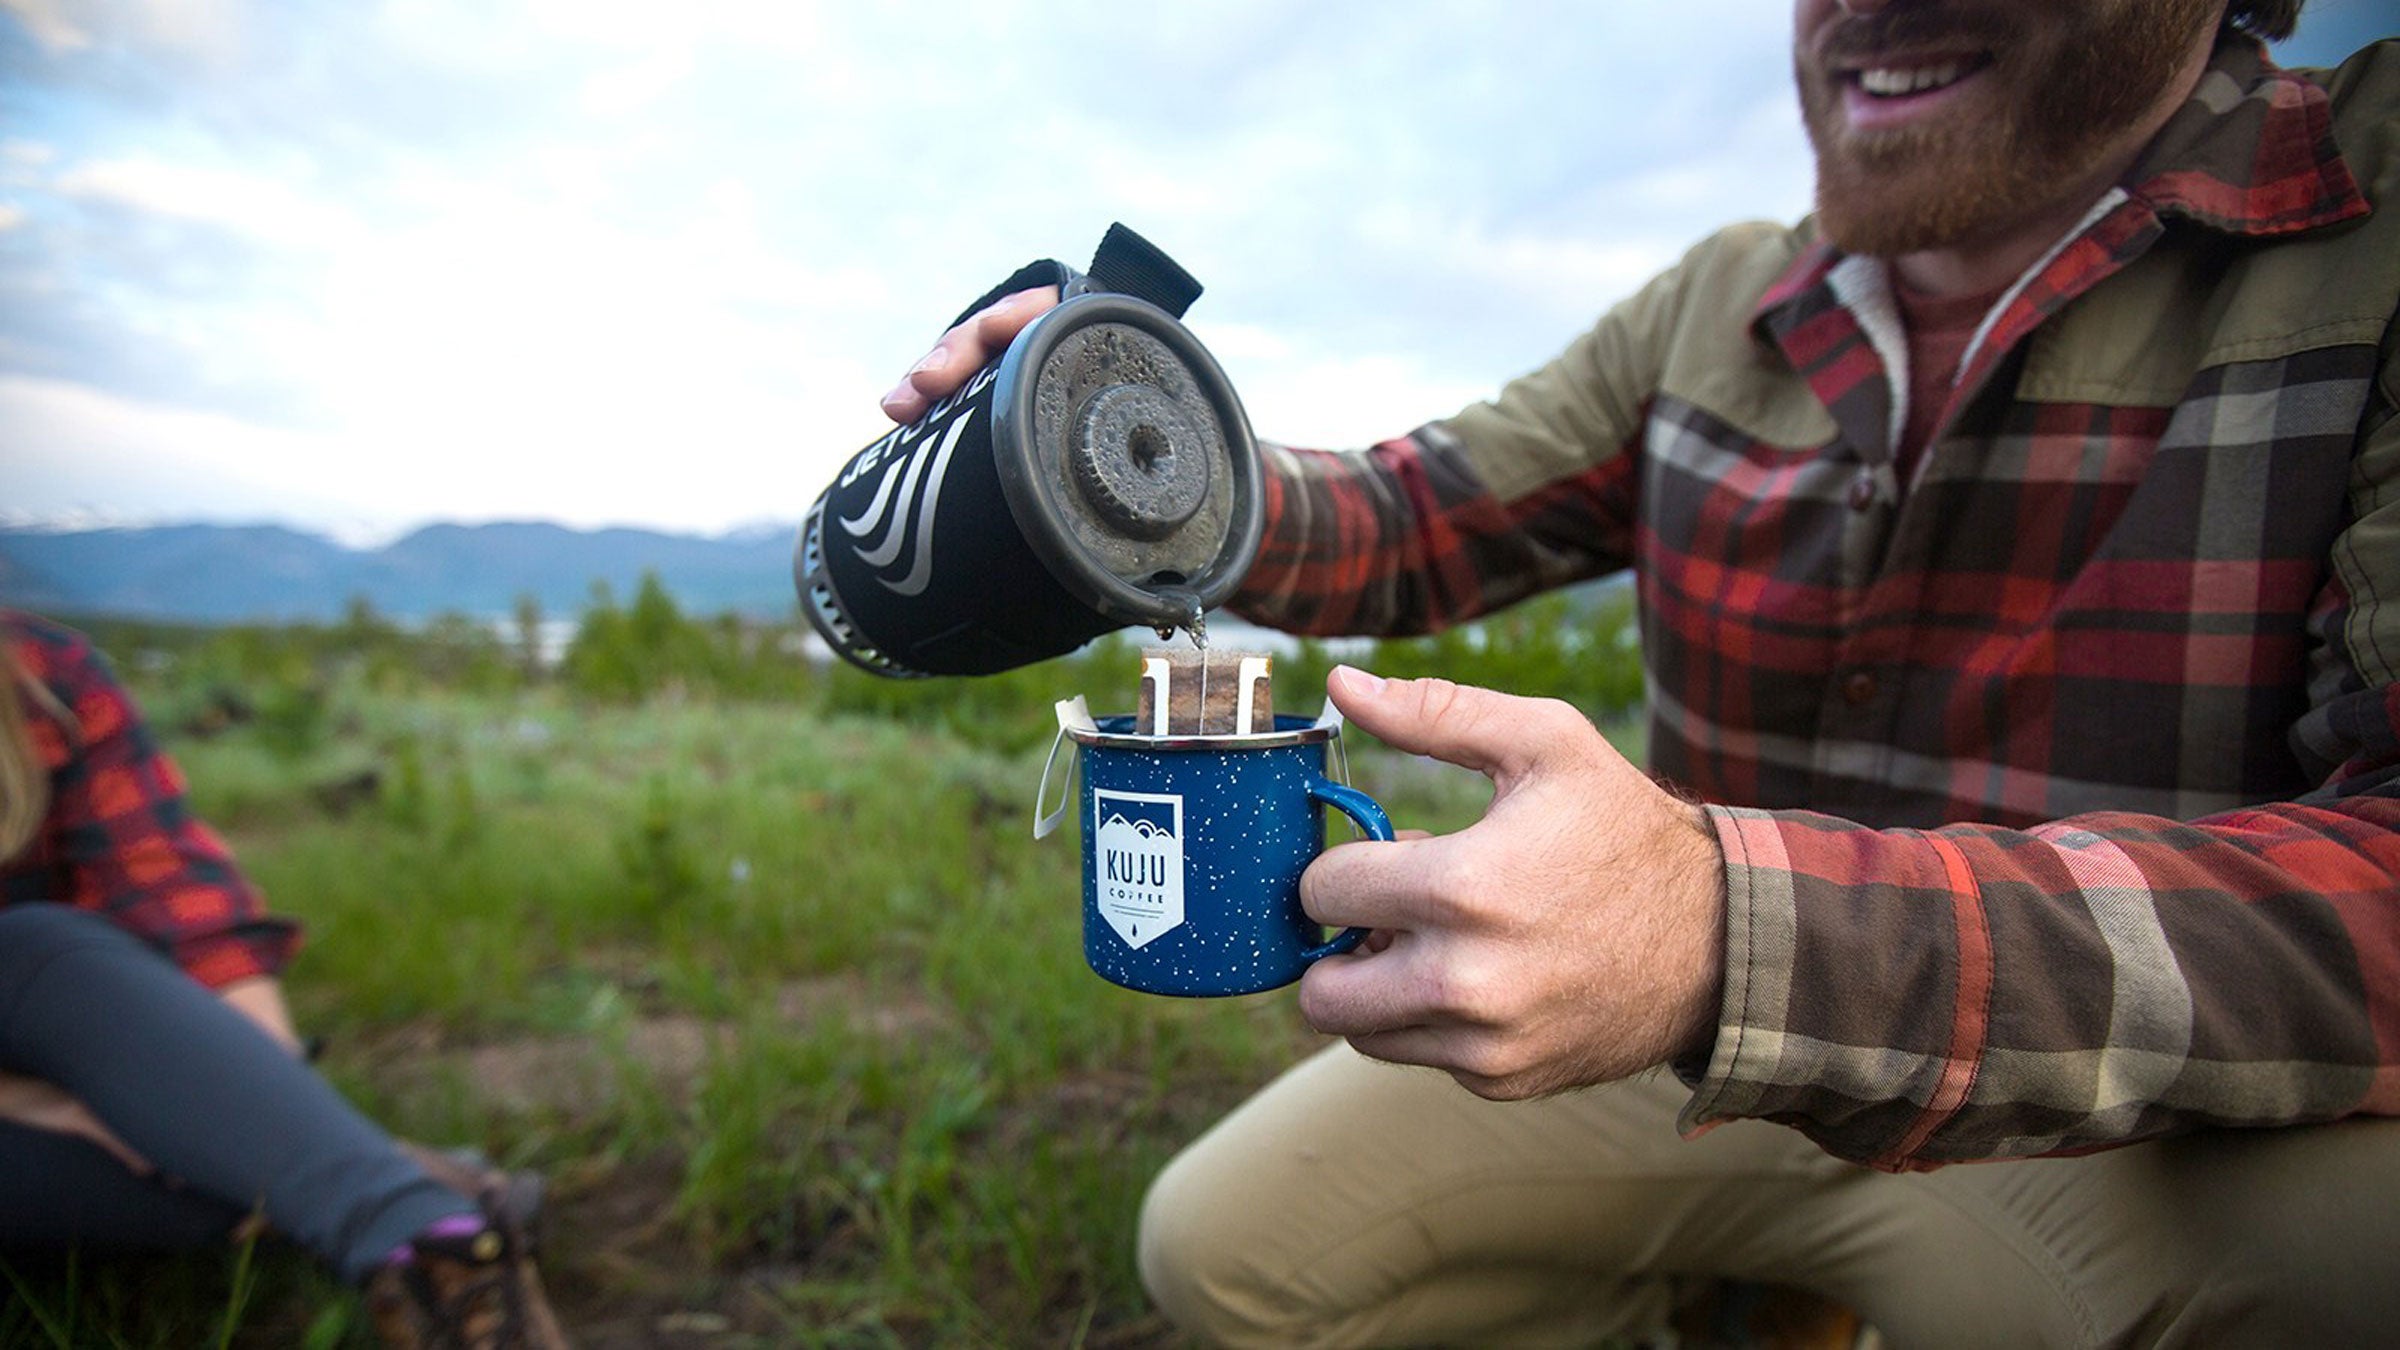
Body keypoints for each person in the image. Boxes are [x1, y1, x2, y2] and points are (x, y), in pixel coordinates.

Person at [880, 0, 2400, 1343]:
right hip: (1682, 1046)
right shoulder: (1718, 301)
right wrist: (1137, 460)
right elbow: (1415, 519)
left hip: (2113, 1113)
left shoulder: (2366, 216)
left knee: (2356, 1264)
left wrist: (1717, 929)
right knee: (1226, 1251)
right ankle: (1724, 1301)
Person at [0, 608, 572, 1349]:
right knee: (238, 1168)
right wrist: (38, 1103)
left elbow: (175, 896)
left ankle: (424, 1233)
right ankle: (398, 1194)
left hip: (55, 1026)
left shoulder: (40, 670)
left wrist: (255, 1088)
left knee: (38, 947)